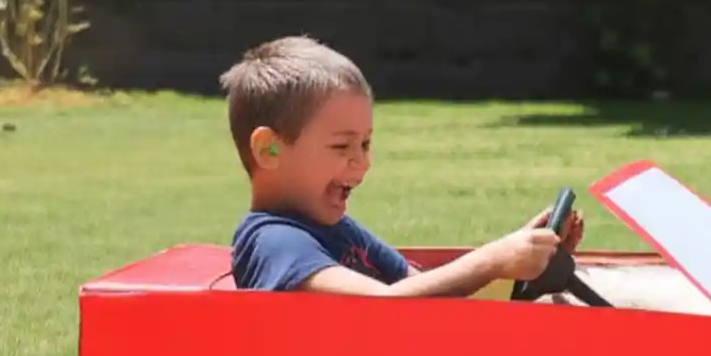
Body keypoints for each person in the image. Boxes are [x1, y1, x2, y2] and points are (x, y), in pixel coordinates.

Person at [220, 35, 583, 296]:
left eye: (365, 143)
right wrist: (492, 259)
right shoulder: (274, 240)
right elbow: (385, 308)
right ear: (269, 150)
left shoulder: (339, 229)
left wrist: (523, 267)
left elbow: (422, 288)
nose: (362, 162)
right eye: (341, 145)